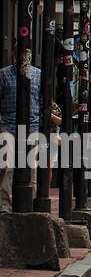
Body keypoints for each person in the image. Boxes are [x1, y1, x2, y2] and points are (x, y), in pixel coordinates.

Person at [0, 49, 42, 214]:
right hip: (8, 126)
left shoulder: (37, 75)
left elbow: (42, 100)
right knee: (6, 167)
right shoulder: (4, 75)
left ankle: (28, 204)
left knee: (31, 167)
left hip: (32, 126)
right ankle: (4, 205)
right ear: (14, 55)